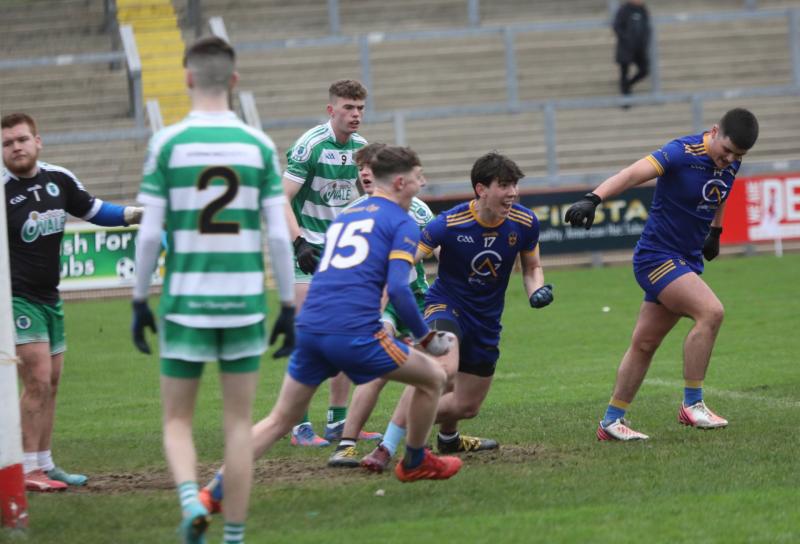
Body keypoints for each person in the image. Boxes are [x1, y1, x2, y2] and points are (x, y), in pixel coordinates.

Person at [199, 146, 463, 512]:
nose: (423, 182)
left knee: (280, 418)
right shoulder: (402, 221)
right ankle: (415, 461)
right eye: (419, 176)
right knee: (434, 377)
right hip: (352, 332)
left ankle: (213, 491)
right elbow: (401, 288)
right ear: (401, 182)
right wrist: (426, 338)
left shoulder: (347, 216)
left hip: (311, 328)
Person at [130, 36, 295, 544]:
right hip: (244, 301)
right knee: (238, 426)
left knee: (177, 421)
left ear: (186, 77)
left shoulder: (168, 144)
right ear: (234, 80)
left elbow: (151, 234)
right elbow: (275, 235)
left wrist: (139, 299)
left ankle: (188, 502)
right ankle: (234, 538)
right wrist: (287, 304)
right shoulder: (258, 146)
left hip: (185, 303)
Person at [563, 108, 759, 441]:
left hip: (686, 258)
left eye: (737, 155)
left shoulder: (731, 160)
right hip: (657, 258)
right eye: (726, 150)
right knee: (711, 312)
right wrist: (593, 198)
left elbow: (720, 192)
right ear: (714, 131)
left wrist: (716, 231)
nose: (729, 159)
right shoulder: (679, 152)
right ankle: (693, 404)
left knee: (645, 344)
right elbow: (630, 174)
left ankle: (611, 422)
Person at [361, 152, 554, 473]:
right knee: (442, 372)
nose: (513, 193)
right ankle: (387, 447)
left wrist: (537, 290)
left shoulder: (525, 222)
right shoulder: (448, 223)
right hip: (445, 306)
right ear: (481, 189)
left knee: (467, 406)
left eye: (515, 185)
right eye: (504, 185)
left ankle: (445, 438)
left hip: (487, 318)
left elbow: (532, 267)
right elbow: (407, 260)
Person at [2, 112, 143, 492]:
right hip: (16, 300)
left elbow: (94, 210)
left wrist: (138, 215)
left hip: (50, 296)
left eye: (21, 139)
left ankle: (44, 463)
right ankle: (23, 469)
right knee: (37, 380)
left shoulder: (58, 179)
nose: (15, 147)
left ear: (38, 141)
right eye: (7, 142)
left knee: (53, 382)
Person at [281, 79, 381, 447]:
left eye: (360, 109)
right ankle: (298, 426)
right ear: (331, 110)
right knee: (308, 336)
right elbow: (281, 199)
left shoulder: (362, 149)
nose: (355, 115)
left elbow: (367, 194)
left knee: (346, 333)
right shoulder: (310, 146)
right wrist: (299, 242)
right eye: (348, 108)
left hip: (342, 251)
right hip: (304, 249)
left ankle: (338, 422)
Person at [326, 143, 436, 468]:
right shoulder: (356, 211)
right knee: (379, 369)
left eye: (369, 168)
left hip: (416, 297)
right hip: (384, 300)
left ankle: (427, 440)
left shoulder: (418, 210)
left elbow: (436, 246)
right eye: (360, 169)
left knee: (438, 374)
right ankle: (347, 444)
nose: (364, 174)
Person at [613, 0, 651, 99]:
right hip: (626, 48)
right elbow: (617, 26)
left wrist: (644, 40)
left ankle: (628, 85)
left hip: (639, 47)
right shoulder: (624, 10)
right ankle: (625, 97)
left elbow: (646, 26)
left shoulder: (643, 10)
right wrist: (626, 38)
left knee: (644, 70)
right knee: (624, 72)